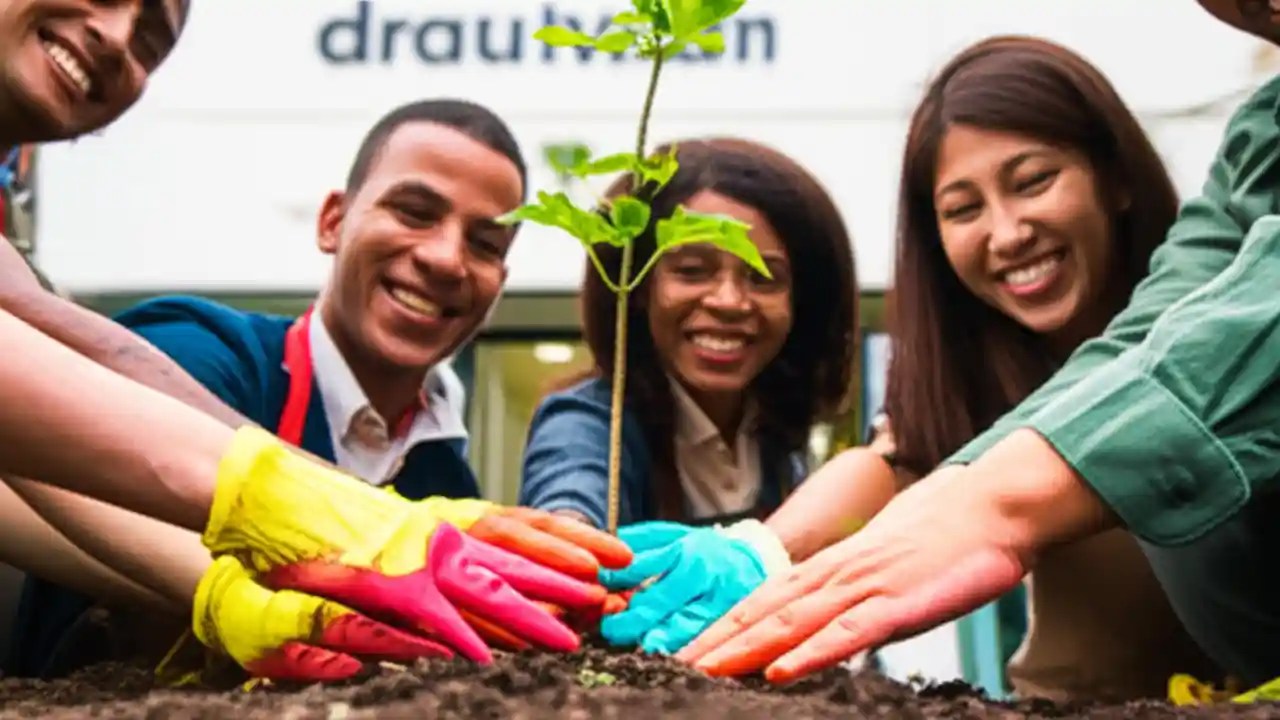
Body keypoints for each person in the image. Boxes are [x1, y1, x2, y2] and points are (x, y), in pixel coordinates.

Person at [0, 0, 630, 682]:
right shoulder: (209, 355)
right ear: (333, 220)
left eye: (484, 242)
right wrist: (328, 516)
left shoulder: (443, 472)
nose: (446, 259)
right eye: (414, 212)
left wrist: (233, 587)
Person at [678, 0, 1280, 691]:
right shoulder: (985, 373)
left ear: (1114, 176)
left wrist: (996, 505)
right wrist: (758, 554)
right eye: (963, 209)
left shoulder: (1214, 303)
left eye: (1034, 183)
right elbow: (891, 463)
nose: (1007, 232)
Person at [519, 137, 858, 653]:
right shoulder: (589, 420)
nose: (728, 301)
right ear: (636, 289)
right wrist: (572, 542)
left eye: (763, 276)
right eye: (691, 271)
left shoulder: (772, 437)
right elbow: (567, 502)